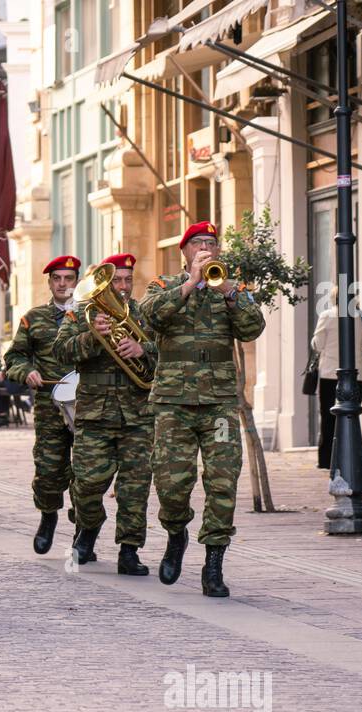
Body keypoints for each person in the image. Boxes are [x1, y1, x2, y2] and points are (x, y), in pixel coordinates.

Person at [138, 221, 265, 598]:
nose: (206, 249)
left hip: (220, 404)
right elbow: (149, 317)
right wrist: (190, 283)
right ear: (185, 252)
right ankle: (176, 534)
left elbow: (253, 327)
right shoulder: (164, 286)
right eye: (198, 244)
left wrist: (227, 291)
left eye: (211, 243)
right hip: (173, 403)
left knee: (223, 481)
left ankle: (214, 563)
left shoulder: (232, 289)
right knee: (172, 483)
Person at [53, 252, 158, 574]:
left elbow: (167, 354)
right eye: (117, 281)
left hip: (138, 415)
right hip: (95, 414)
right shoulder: (81, 312)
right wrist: (93, 337)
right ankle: (88, 527)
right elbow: (60, 352)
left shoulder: (144, 314)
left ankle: (129, 550)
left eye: (128, 280)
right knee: (85, 484)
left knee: (134, 487)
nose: (123, 287)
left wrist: (143, 349)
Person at [4, 254, 81, 554]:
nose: (63, 284)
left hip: (89, 406)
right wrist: (27, 372)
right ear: (49, 282)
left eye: (69, 278)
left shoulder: (92, 314)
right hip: (50, 407)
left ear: (76, 282)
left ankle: (82, 531)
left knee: (87, 473)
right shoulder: (33, 318)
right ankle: (48, 516)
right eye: (57, 279)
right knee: (49, 470)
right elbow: (13, 358)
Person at [311, 290, 362, 471]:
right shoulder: (361, 317)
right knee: (351, 418)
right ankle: (350, 459)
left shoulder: (327, 316)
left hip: (330, 374)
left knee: (328, 419)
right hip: (356, 374)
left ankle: (326, 460)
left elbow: (318, 345)